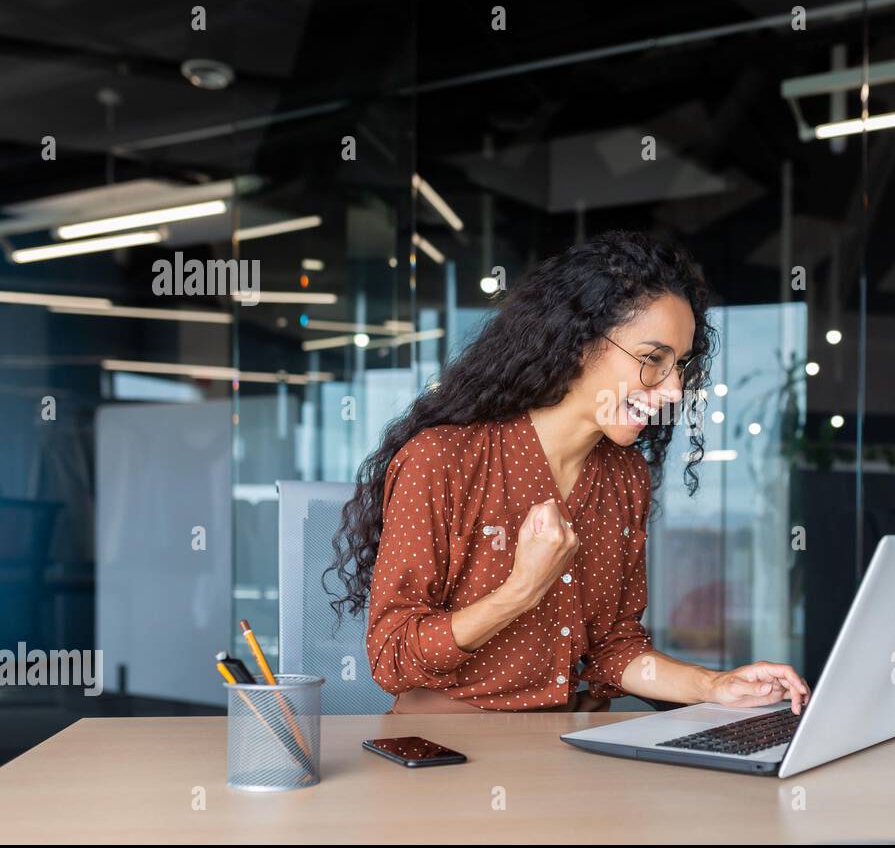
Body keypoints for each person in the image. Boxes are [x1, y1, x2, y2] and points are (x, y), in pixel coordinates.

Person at [329, 230, 810, 715]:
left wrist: (714, 685)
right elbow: (392, 659)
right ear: (579, 344)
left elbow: (614, 650)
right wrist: (520, 591)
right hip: (452, 749)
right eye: (653, 360)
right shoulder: (443, 459)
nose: (673, 390)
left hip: (571, 744)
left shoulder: (625, 476)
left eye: (681, 366)